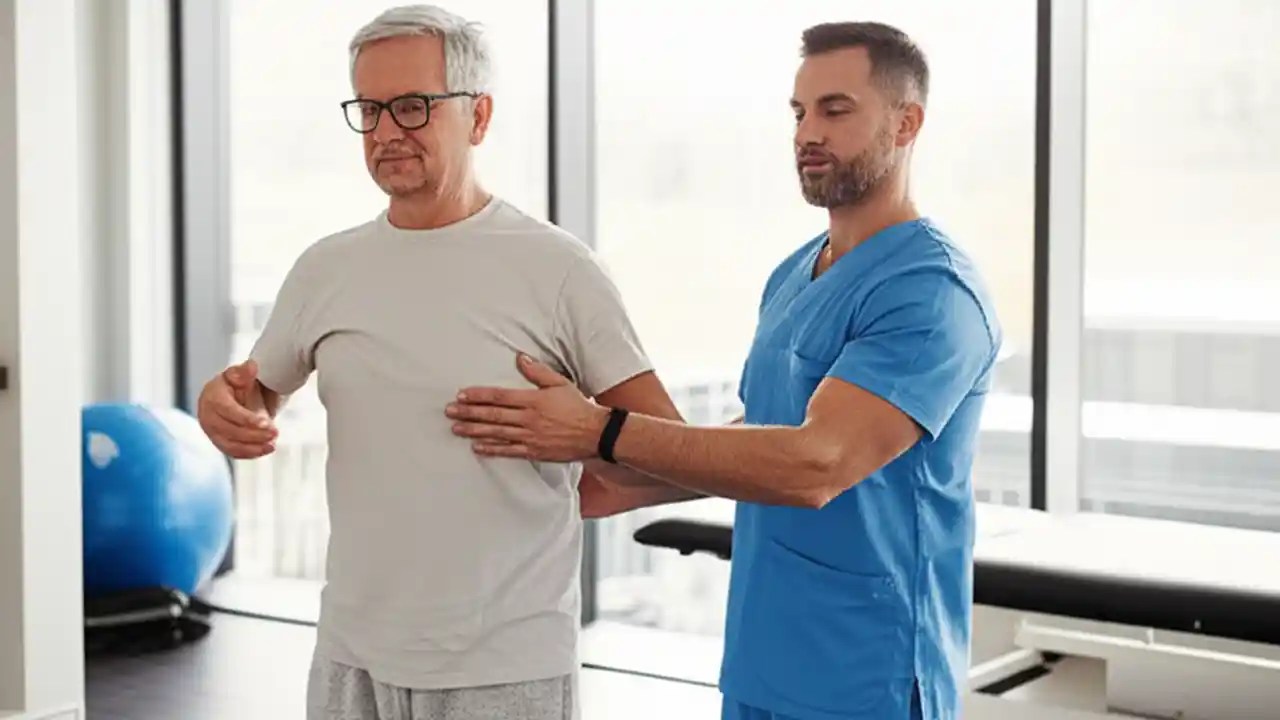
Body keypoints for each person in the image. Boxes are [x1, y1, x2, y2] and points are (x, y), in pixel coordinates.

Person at [446, 21, 1003, 720]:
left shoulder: (933, 292)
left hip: (871, 677)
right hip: (763, 663)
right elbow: (760, 435)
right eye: (799, 113)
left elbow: (814, 464)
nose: (808, 133)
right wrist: (612, 482)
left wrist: (602, 430)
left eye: (836, 110)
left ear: (906, 122)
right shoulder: (794, 275)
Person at [194, 5, 682, 719]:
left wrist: (586, 438)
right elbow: (255, 394)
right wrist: (225, 406)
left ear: (477, 117)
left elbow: (668, 448)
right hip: (349, 651)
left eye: (414, 107)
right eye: (370, 109)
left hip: (503, 665)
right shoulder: (326, 268)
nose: (387, 132)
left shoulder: (559, 269)